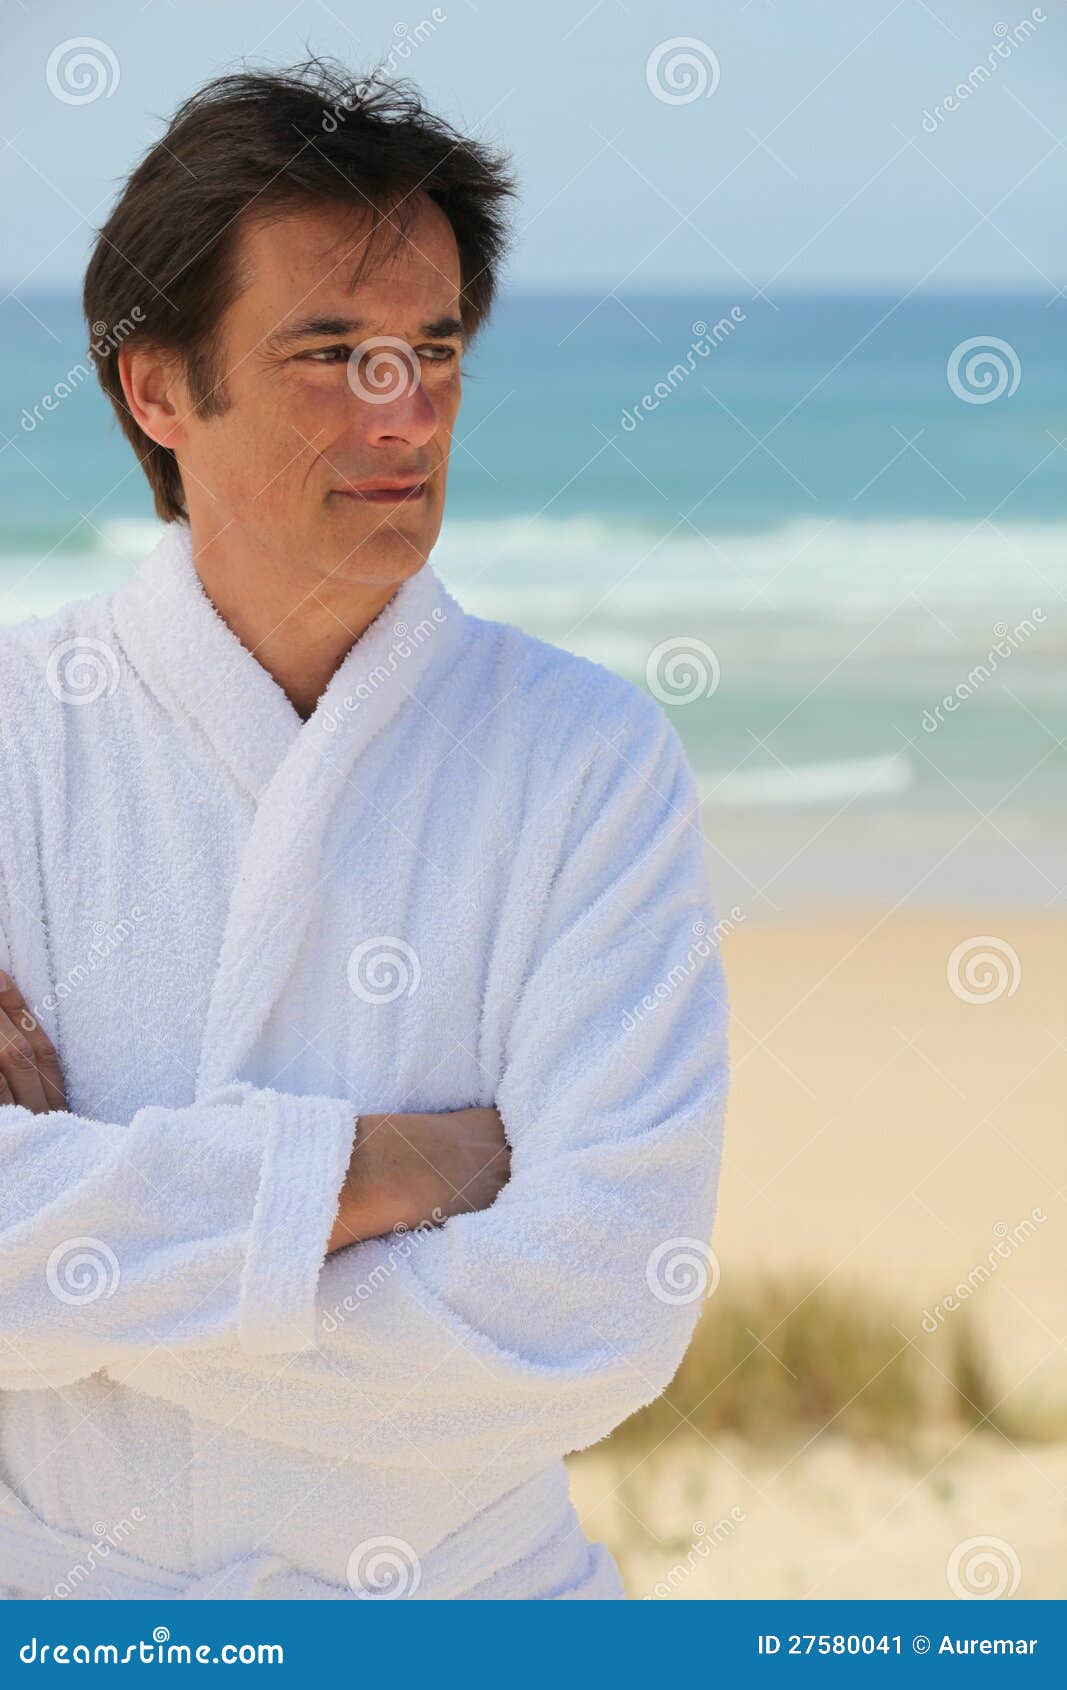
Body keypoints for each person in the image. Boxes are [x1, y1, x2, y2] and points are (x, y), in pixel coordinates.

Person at [0, 61, 728, 1601]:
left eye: (432, 348)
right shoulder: (18, 730)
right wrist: (379, 1170)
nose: (403, 410)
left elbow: (603, 1308)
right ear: (156, 387)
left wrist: (83, 1291)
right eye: (333, 352)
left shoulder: (588, 760)